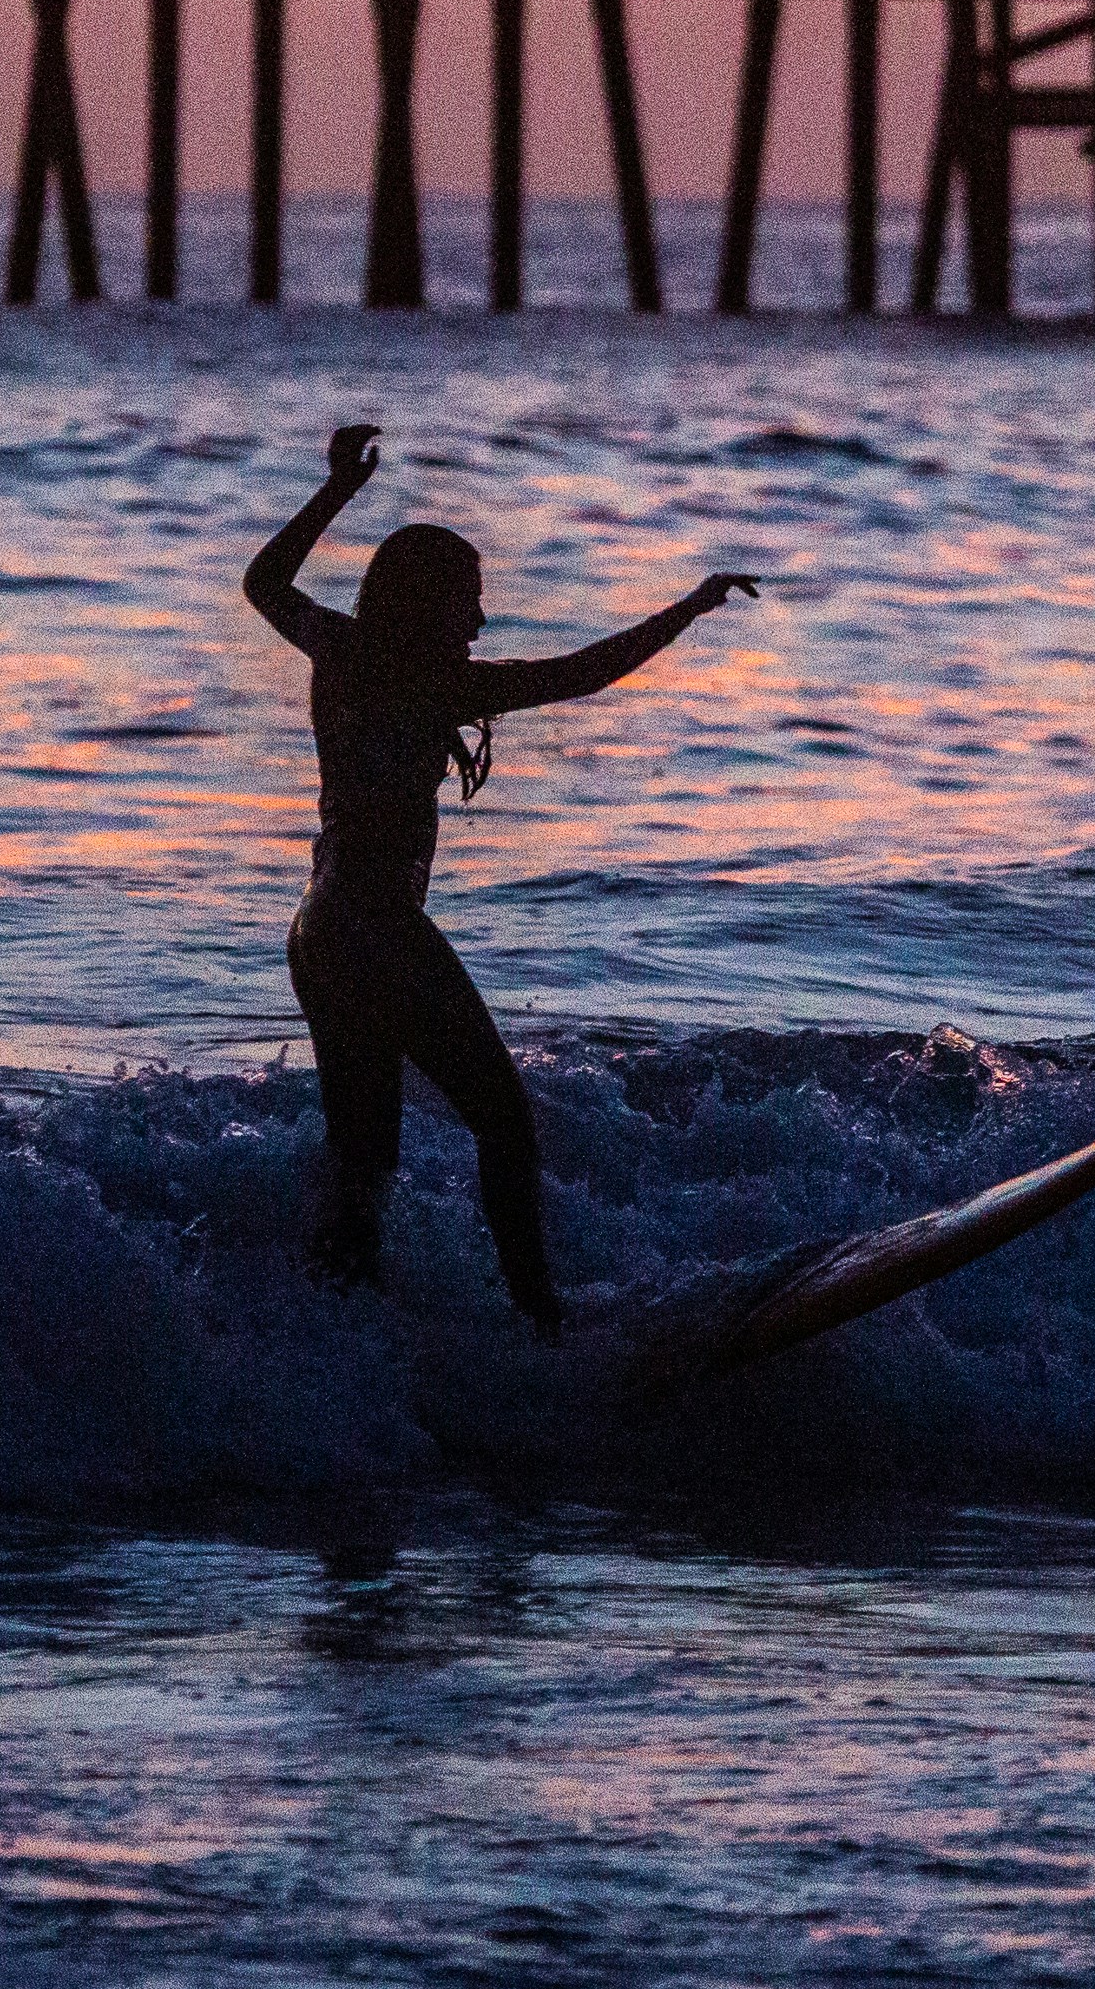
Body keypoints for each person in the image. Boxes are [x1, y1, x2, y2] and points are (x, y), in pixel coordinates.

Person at [243, 424, 758, 1337]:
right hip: (375, 924)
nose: (480, 623)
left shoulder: (339, 650)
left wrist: (336, 492)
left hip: (317, 933)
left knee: (365, 1164)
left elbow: (261, 583)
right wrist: (690, 606)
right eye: (469, 603)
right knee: (506, 1125)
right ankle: (541, 1325)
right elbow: (586, 672)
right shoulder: (438, 684)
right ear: (430, 603)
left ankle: (328, 1356)